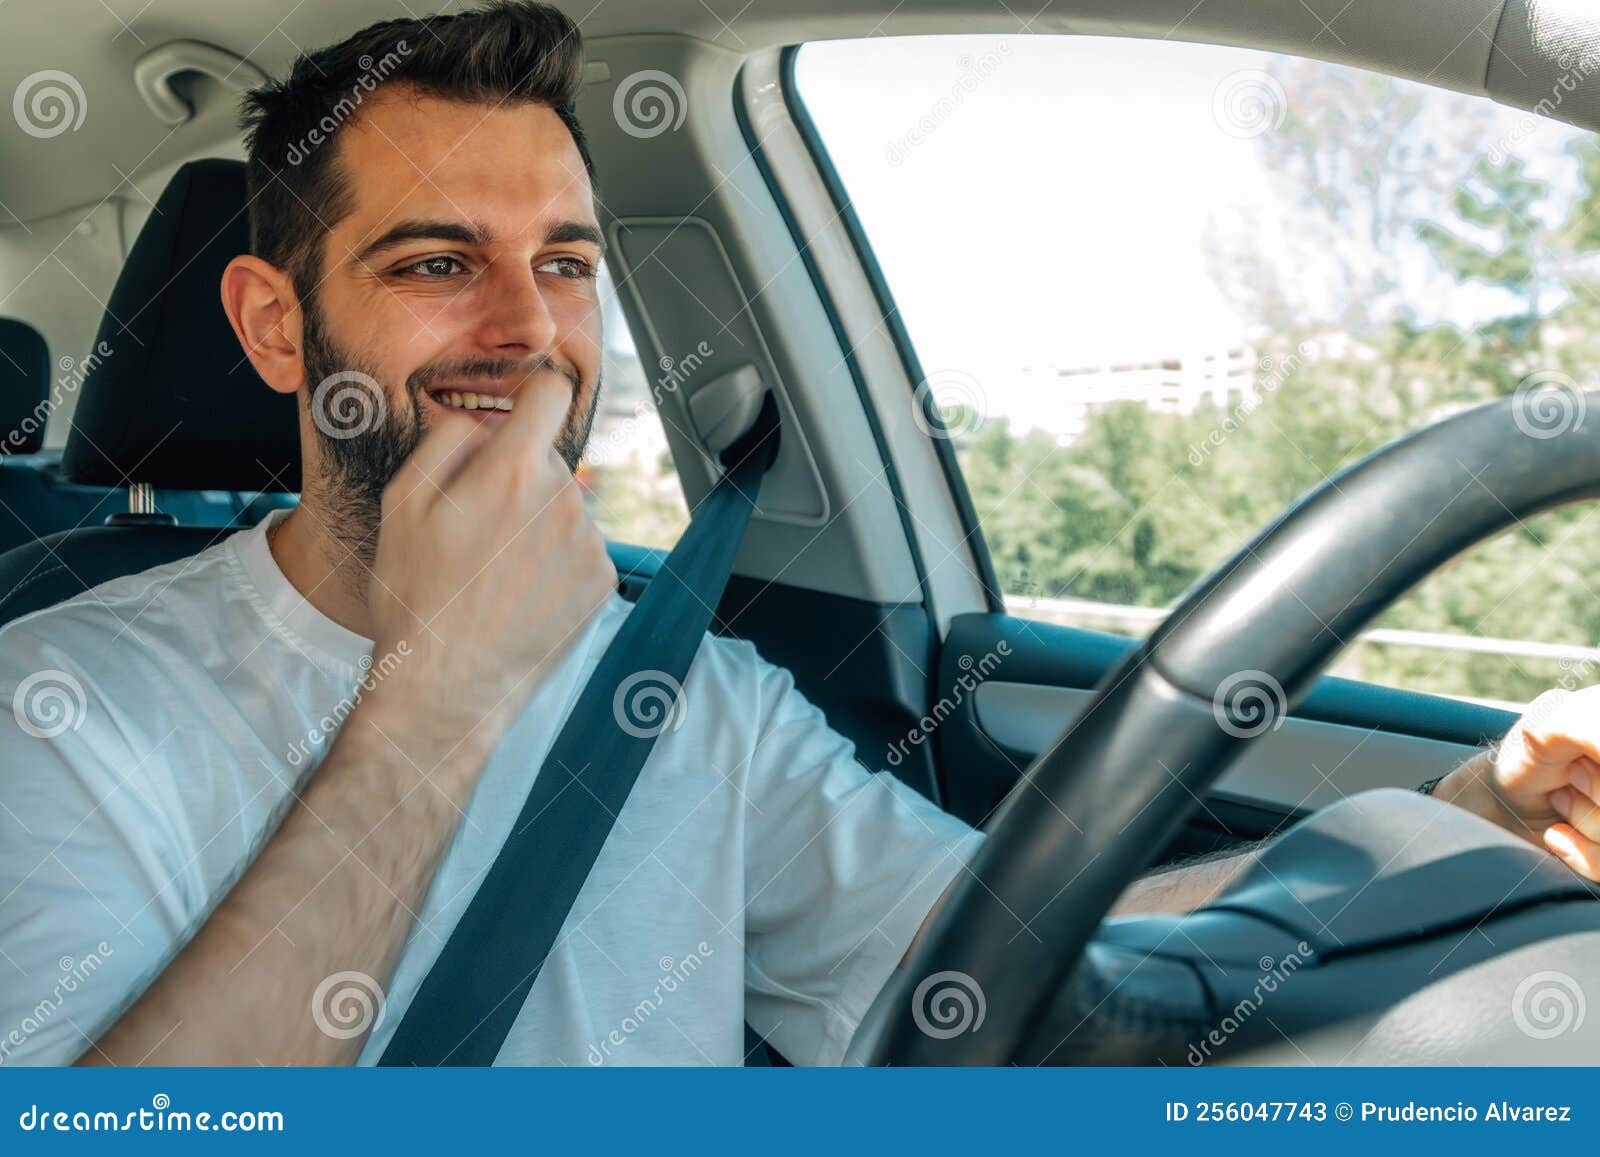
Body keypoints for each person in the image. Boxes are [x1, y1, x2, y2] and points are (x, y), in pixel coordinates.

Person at [0, 1, 1595, 1068]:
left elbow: (1008, 941)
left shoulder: (686, 693)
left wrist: (1449, 826)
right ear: (278, 330)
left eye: (563, 263)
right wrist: (437, 701)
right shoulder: (56, 712)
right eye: (433, 263)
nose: (527, 329)